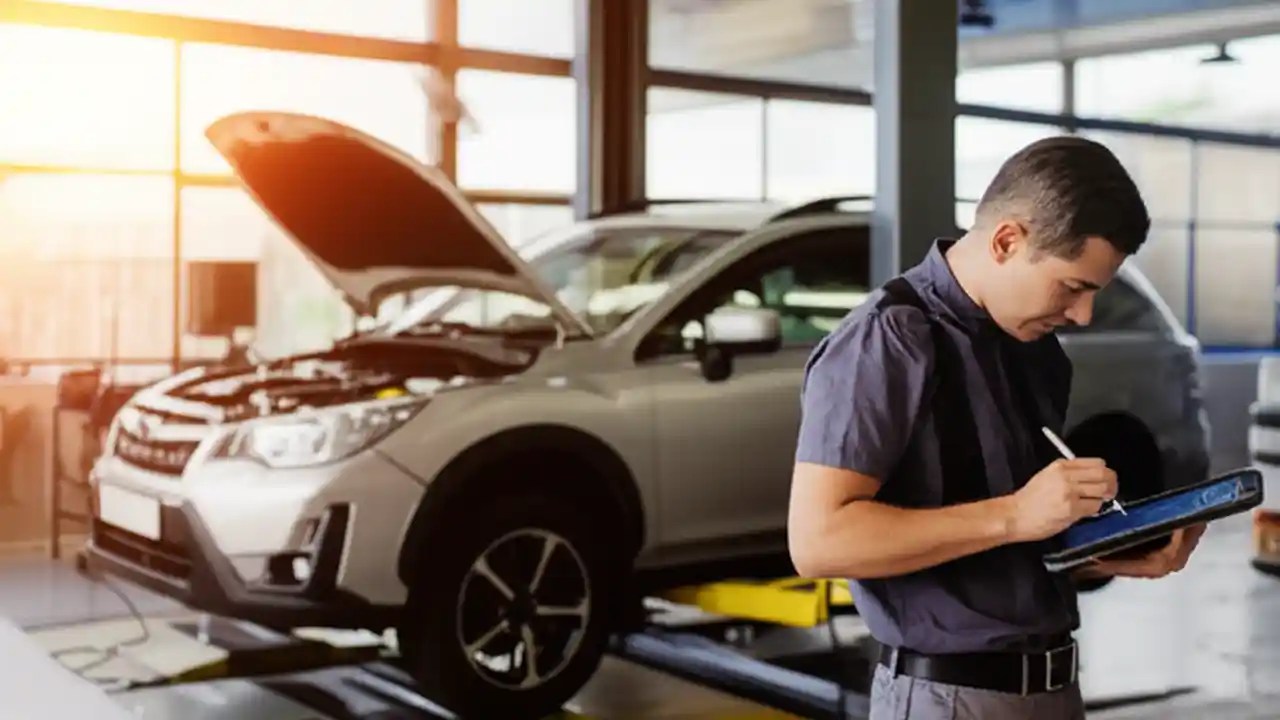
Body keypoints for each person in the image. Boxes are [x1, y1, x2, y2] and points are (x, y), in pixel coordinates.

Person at [786, 136, 1207, 720]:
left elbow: (999, 545)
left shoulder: (1034, 350)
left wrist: (1100, 555)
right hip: (949, 699)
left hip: (1052, 687)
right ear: (1008, 240)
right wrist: (1017, 513)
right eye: (1074, 286)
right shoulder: (887, 341)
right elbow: (818, 540)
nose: (1083, 315)